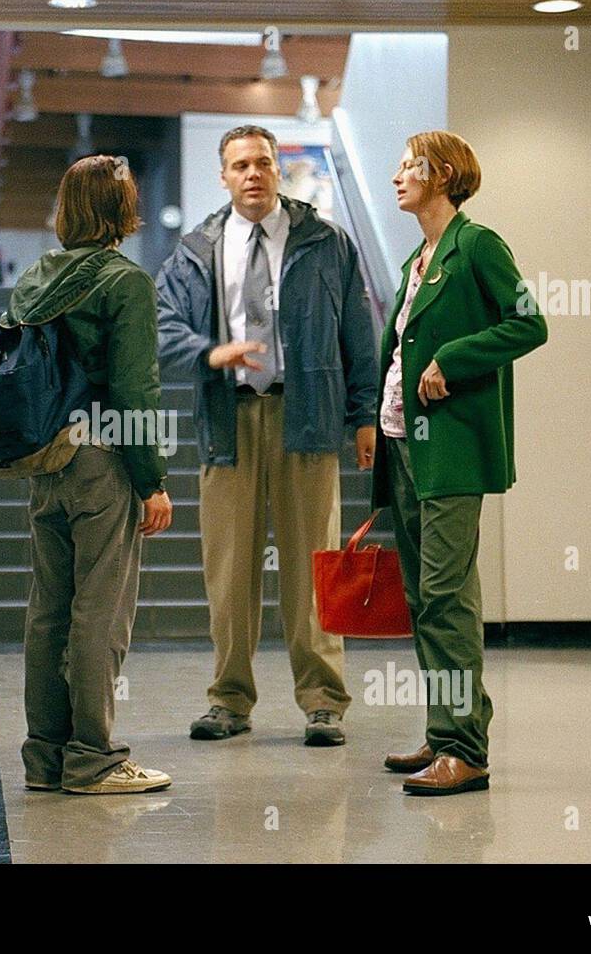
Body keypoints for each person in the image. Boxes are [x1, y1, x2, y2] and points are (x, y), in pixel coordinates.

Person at [156, 125, 379, 746]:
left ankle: (324, 702)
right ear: (223, 176)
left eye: (262, 163)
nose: (252, 174)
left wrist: (364, 416)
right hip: (228, 422)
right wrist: (209, 352)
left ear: (278, 170)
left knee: (315, 565)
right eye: (239, 165)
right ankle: (229, 700)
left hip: (307, 418)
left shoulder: (325, 242)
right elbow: (159, 321)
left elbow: (357, 333)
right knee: (228, 571)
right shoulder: (198, 247)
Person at [375, 130, 547, 795]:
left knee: (446, 594)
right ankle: (445, 729)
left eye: (408, 164)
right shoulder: (416, 258)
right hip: (403, 443)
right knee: (424, 597)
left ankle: (467, 749)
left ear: (443, 173)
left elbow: (530, 322)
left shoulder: (477, 245)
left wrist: (454, 359)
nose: (396, 176)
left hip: (451, 449)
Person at [13, 155, 175, 795]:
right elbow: (137, 390)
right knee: (100, 613)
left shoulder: (36, 277)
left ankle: (45, 757)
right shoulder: (124, 280)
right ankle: (95, 758)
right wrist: (152, 480)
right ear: (120, 209)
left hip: (45, 460)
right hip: (101, 460)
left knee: (47, 609)